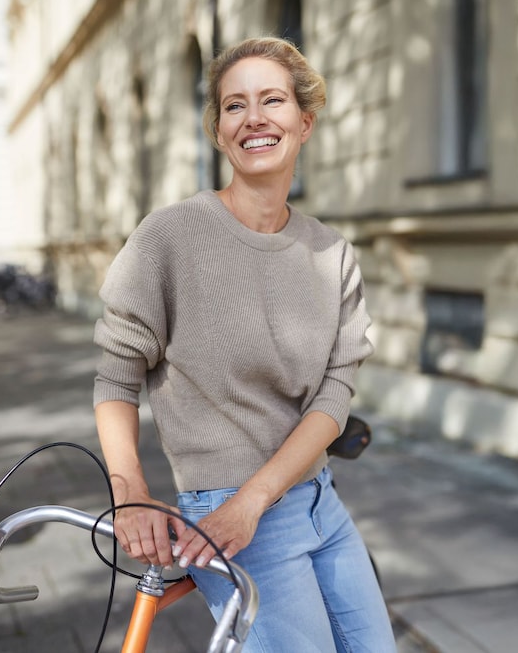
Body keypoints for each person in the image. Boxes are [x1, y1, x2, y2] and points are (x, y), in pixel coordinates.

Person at [92, 36, 396, 651]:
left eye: (272, 100)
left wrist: (259, 498)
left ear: (303, 122)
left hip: (315, 504)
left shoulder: (331, 254)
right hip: (225, 515)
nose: (254, 118)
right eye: (235, 106)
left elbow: (334, 399)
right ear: (219, 130)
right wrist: (130, 492)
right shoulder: (169, 238)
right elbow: (117, 377)